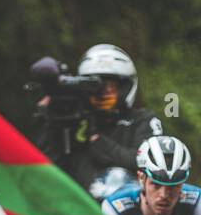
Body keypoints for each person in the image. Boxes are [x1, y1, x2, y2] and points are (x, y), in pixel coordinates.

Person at [32, 43, 164, 194]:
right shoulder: (74, 120)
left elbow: (151, 163)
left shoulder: (142, 119)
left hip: (129, 207)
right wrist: (49, 119)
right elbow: (46, 171)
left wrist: (99, 142)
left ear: (124, 87)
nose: (102, 93)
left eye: (110, 87)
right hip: (81, 209)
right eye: (95, 87)